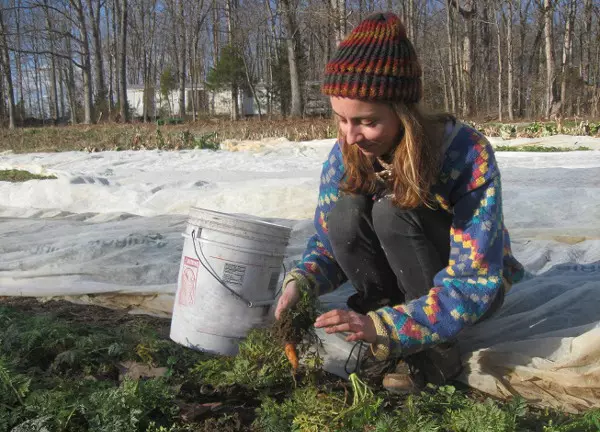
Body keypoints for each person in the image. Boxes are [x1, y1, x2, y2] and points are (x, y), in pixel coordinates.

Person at [274, 12, 524, 393]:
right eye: (341, 119)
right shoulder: (347, 152)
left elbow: (475, 281)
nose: (350, 135)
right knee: (345, 213)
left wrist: (392, 327)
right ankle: (386, 326)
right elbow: (329, 243)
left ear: (405, 112)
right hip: (398, 285)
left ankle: (434, 347)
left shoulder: (466, 154)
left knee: (392, 211)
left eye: (367, 121)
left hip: (463, 287)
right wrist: (303, 282)